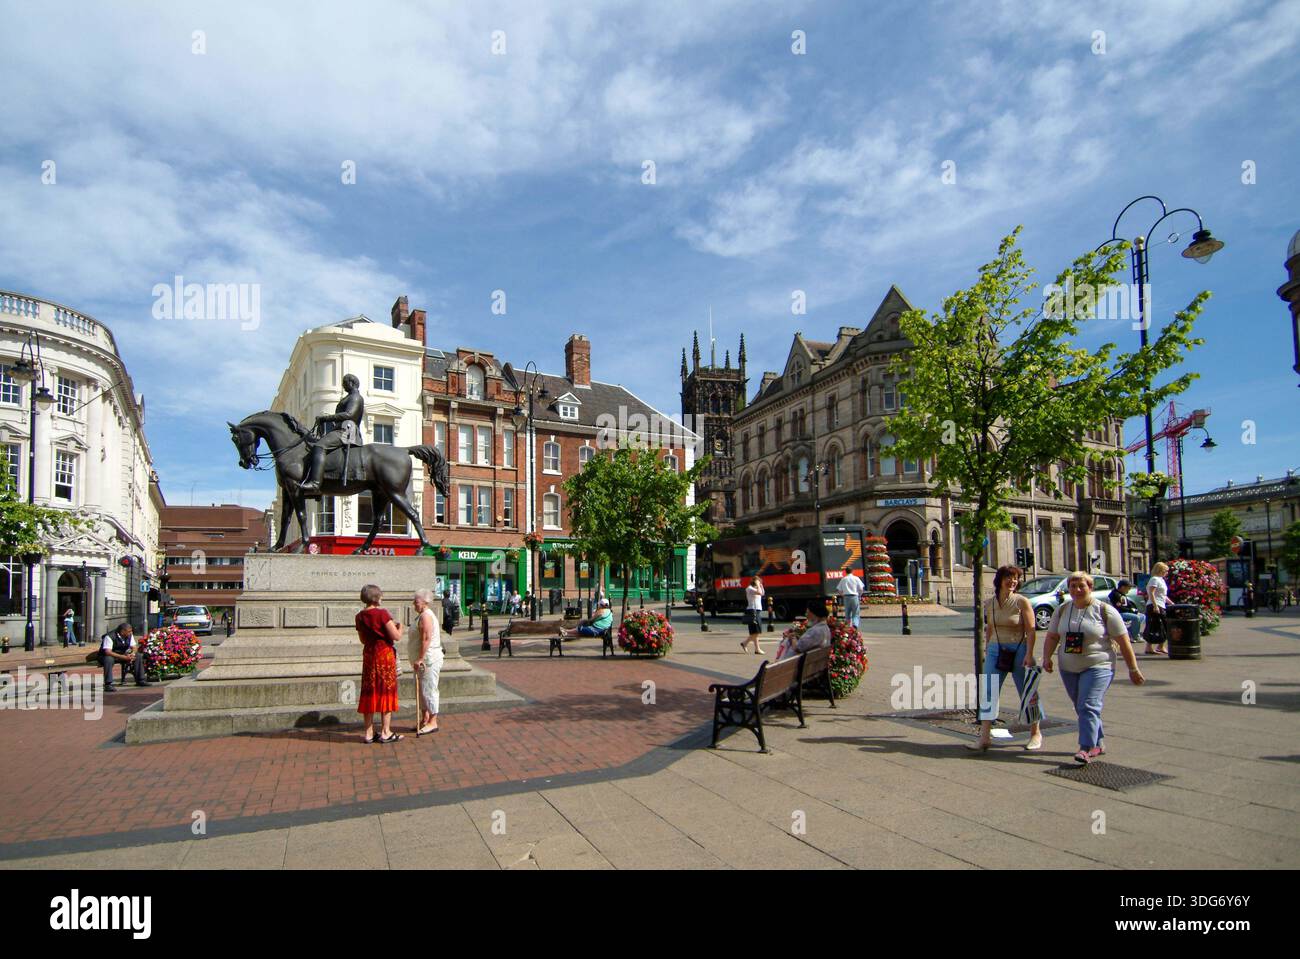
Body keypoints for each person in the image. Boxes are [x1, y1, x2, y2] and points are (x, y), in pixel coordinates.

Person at [1043, 571, 1145, 764]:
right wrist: (1047, 658)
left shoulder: (1105, 610)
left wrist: (1133, 669)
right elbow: (1053, 636)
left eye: (1081, 586)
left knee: (1088, 704)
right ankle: (1098, 741)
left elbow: (1123, 642)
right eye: (1073, 586)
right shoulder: (1063, 610)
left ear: (1091, 587)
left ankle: (1086, 747)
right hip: (1069, 666)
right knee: (1081, 706)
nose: (1077, 590)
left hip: (1099, 665)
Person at [970, 565, 1042, 752]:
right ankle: (985, 737)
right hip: (996, 649)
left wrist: (1029, 653)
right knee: (988, 691)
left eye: (1015, 578)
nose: (1012, 581)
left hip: (1019, 648)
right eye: (1008, 577)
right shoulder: (990, 603)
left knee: (1027, 691)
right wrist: (987, 649)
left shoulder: (1021, 602)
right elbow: (990, 628)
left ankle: (1035, 732)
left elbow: (1031, 630)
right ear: (999, 580)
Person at [299, 373, 365, 494]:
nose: (343, 386)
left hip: (346, 430)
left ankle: (315, 483)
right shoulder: (349, 397)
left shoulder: (355, 397)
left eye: (344, 384)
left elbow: (349, 414)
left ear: (351, 383)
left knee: (320, 446)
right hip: (340, 429)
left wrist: (326, 418)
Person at [355, 583, 403, 744]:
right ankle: (385, 731)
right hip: (384, 655)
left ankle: (369, 733)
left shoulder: (360, 616)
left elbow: (362, 639)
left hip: (369, 655)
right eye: (380, 595)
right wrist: (400, 627)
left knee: (369, 691)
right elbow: (396, 636)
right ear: (376, 597)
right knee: (386, 690)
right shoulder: (382, 614)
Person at [409, 588, 443, 735]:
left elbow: (426, 638)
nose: (414, 604)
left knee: (429, 689)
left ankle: (432, 721)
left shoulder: (426, 616)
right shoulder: (421, 615)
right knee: (422, 690)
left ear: (425, 602)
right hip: (422, 660)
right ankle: (425, 719)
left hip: (428, 659)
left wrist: (421, 658)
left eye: (416, 601)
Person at [99, 623, 152, 690]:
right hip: (108, 655)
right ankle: (108, 684)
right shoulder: (109, 636)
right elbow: (108, 652)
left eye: (131, 631)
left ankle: (140, 680)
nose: (131, 633)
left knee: (138, 655)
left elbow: (134, 647)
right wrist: (123, 657)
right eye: (129, 631)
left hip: (122, 654)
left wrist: (132, 653)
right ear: (122, 631)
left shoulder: (129, 635)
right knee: (109, 659)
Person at [1107, 579, 1146, 645]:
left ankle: (1130, 633)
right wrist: (1131, 611)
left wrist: (1134, 610)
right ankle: (1135, 636)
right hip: (1118, 614)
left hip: (1124, 612)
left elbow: (1128, 605)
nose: (1129, 590)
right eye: (1128, 588)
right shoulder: (1115, 594)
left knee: (1142, 616)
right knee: (1136, 618)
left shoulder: (1122, 594)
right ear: (1123, 587)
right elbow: (1120, 608)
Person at [1143, 561, 1170, 654]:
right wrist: (1155, 606)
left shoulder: (1161, 580)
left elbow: (1163, 595)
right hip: (1155, 605)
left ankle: (1160, 646)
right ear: (1160, 570)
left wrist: (1171, 603)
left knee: (1163, 625)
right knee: (1154, 626)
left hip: (1161, 604)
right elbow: (1151, 593)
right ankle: (1148, 647)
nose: (1166, 573)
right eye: (1165, 571)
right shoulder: (1154, 579)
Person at [741, 575, 766, 655]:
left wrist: (761, 585)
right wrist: (758, 585)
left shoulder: (755, 588)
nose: (759, 583)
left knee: (755, 631)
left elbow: (762, 593)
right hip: (752, 610)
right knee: (757, 631)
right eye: (758, 581)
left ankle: (756, 649)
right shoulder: (749, 588)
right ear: (754, 582)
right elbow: (759, 592)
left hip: (757, 610)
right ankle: (746, 643)